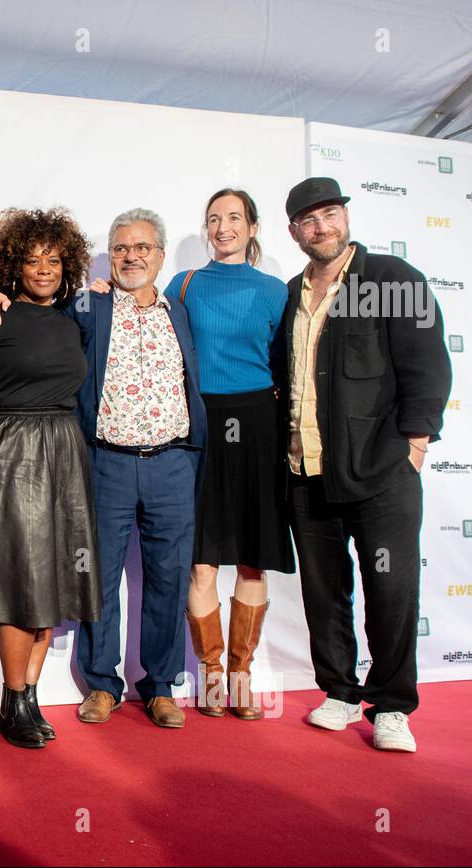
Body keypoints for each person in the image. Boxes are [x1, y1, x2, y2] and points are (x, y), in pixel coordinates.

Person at [0, 208, 207, 730]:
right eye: (121, 248)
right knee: (95, 576)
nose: (131, 256)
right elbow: (36, 316)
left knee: (168, 578)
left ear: (161, 256)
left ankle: (162, 686)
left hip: (171, 462)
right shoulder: (88, 306)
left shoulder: (180, 312)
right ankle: (103, 683)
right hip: (104, 462)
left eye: (142, 247)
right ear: (110, 255)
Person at [276, 177, 451, 753]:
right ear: (294, 231)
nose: (321, 227)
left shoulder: (390, 279)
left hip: (381, 472)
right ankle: (340, 692)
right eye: (308, 220)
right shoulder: (291, 293)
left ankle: (393, 705)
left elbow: (427, 363)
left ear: (345, 218)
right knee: (325, 592)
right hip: (308, 470)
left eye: (330, 214)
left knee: (391, 590)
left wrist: (416, 446)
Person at [0, 207, 101, 748]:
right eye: (32, 260)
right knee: (20, 585)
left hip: (63, 452)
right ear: (14, 264)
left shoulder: (74, 320)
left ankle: (28, 692)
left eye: (53, 260)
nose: (44, 269)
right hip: (7, 453)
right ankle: (12, 700)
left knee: (50, 580)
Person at [163, 189, 294, 720]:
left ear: (254, 227)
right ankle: (211, 673)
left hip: (260, 424)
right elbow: (139, 318)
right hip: (200, 422)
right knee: (201, 560)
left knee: (252, 560)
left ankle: (242, 673)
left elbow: (288, 366)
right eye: (213, 219)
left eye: (233, 218)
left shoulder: (275, 292)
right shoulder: (184, 284)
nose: (222, 227)